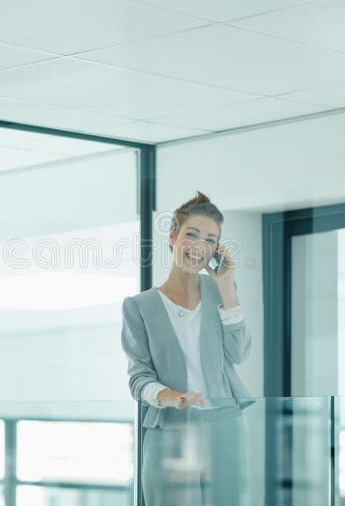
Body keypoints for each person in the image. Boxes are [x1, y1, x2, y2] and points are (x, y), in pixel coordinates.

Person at [121, 190, 253, 506]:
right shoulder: (140, 306)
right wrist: (173, 398)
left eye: (210, 240)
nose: (199, 246)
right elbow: (138, 379)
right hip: (169, 429)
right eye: (191, 234)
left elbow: (240, 353)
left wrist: (226, 288)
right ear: (172, 237)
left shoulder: (220, 292)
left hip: (224, 424)